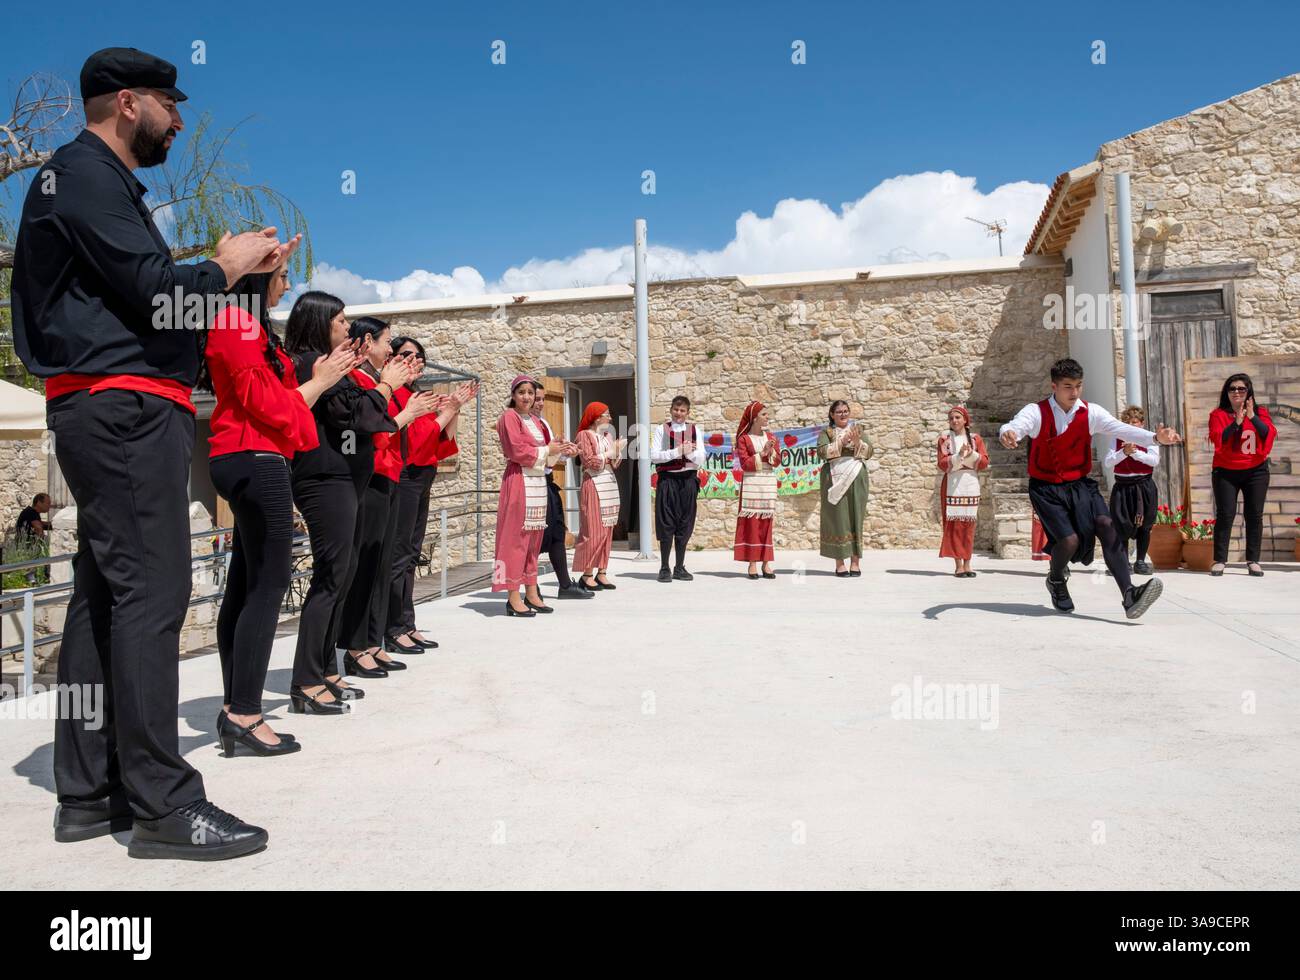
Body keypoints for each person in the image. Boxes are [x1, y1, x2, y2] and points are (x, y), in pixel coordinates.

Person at [11, 46, 299, 859]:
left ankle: (89, 791)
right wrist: (220, 264)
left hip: (112, 406)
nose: (180, 121)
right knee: (155, 595)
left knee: (105, 601)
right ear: (129, 102)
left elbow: (152, 309)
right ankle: (163, 806)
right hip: (123, 411)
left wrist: (237, 281)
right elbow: (157, 293)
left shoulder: (89, 182)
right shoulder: (84, 174)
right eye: (173, 106)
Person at [202, 264, 358, 755]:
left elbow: (277, 402)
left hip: (258, 455)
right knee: (268, 586)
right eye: (281, 274)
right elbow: (264, 402)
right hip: (253, 455)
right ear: (256, 278)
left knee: (248, 585)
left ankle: (237, 706)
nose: (287, 285)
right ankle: (245, 713)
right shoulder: (234, 321)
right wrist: (320, 381)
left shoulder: (252, 327)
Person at [999, 358, 1182, 619]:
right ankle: (1056, 580)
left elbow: (1121, 429)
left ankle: (1130, 595)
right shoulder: (1037, 412)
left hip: (1080, 484)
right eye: (1067, 386)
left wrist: (1155, 438)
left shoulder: (1091, 412)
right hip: (1046, 487)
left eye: (1078, 386)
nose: (1074, 393)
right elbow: (1018, 425)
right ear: (1054, 386)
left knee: (1107, 526)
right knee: (1069, 540)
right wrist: (1009, 433)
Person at [284, 292, 395, 712]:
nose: (349, 328)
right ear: (320, 321)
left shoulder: (334, 365)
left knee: (342, 574)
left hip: (343, 478)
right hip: (323, 477)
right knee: (331, 575)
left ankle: (325, 668)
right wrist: (387, 386)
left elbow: (363, 412)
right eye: (342, 321)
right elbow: (358, 417)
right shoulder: (314, 363)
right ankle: (306, 680)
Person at [338, 317, 436, 674]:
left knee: (379, 565)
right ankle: (357, 645)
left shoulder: (380, 383)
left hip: (390, 472)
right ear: (368, 343)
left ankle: (371, 640)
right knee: (366, 565)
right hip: (372, 472)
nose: (392, 352)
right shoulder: (363, 381)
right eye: (389, 345)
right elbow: (373, 427)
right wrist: (405, 407)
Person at [386, 337, 476, 652]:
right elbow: (418, 436)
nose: (414, 360)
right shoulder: (393, 394)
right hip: (405, 476)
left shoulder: (415, 395)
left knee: (411, 554)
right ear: (391, 358)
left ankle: (405, 623)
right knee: (400, 555)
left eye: (418, 355)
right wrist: (445, 409)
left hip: (423, 475)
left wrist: (455, 409)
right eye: (405, 354)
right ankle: (394, 627)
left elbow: (442, 439)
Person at [494, 376, 575, 616]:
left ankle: (531, 592)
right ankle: (512, 595)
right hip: (520, 481)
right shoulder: (510, 417)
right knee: (516, 539)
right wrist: (548, 450)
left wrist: (562, 452)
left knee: (534, 541)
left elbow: (547, 457)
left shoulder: (537, 422)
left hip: (538, 483)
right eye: (522, 392)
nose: (527, 397)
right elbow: (517, 451)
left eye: (530, 392)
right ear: (513, 395)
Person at [1208, 373, 1276, 577]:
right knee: (1225, 514)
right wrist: (1236, 422)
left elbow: (1268, 433)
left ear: (1249, 392)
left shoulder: (1260, 412)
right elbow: (1219, 439)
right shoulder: (1218, 414)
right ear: (1226, 393)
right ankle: (1220, 560)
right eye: (1232, 389)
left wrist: (1251, 416)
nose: (1236, 392)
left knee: (1254, 514)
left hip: (1255, 470)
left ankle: (1253, 560)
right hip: (1226, 471)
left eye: (1241, 389)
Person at [529, 379, 590, 599]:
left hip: (547, 484)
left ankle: (565, 585)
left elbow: (552, 455)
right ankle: (531, 587)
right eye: (537, 399)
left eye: (543, 399)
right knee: (533, 539)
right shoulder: (522, 423)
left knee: (557, 533)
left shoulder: (543, 423)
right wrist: (553, 451)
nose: (540, 403)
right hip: (531, 485)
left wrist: (567, 451)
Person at [651, 395, 706, 583]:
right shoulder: (661, 430)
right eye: (676, 409)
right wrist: (677, 452)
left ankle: (679, 567)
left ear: (688, 412)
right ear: (671, 409)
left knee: (685, 523)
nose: (678, 413)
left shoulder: (694, 430)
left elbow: (701, 458)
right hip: (668, 481)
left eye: (682, 410)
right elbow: (655, 456)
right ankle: (664, 567)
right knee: (666, 522)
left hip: (688, 480)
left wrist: (689, 452)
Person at [818, 400, 875, 576]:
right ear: (832, 415)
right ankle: (840, 562)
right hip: (834, 478)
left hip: (856, 476)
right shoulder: (827, 432)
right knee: (838, 518)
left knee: (855, 516)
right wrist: (841, 442)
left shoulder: (858, 430)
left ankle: (855, 562)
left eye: (845, 411)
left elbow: (870, 451)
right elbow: (821, 452)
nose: (843, 414)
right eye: (839, 412)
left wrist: (858, 442)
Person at [573, 402, 625, 591]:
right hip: (594, 485)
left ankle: (602, 572)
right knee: (593, 530)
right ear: (596, 417)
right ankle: (586, 574)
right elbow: (590, 461)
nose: (610, 418)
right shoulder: (584, 435)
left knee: (607, 529)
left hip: (609, 484)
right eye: (606, 414)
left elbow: (614, 464)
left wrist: (618, 451)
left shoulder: (607, 436)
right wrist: (610, 453)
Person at [1103, 405, 1160, 576]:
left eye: (1134, 423)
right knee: (1121, 524)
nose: (1131, 426)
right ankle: (1122, 562)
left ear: (1141, 424)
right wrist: (1123, 452)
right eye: (1127, 423)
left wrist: (1134, 454)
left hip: (1144, 485)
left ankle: (1140, 561)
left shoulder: (1150, 438)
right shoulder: (1117, 438)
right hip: (1123, 486)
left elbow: (1153, 460)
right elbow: (1108, 461)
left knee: (1145, 525)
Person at [935, 405, 988, 578]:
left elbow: (984, 462)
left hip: (970, 483)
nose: (954, 421)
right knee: (954, 525)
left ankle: (968, 563)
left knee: (968, 525)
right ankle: (958, 565)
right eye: (951, 418)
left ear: (965, 420)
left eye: (957, 417)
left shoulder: (975, 439)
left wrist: (971, 454)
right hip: (952, 484)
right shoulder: (944, 440)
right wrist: (959, 458)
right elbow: (942, 463)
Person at [733, 401, 781, 579]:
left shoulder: (771, 437)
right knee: (752, 524)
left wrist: (771, 452)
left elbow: (777, 461)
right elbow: (745, 463)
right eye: (764, 414)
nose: (767, 417)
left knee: (766, 524)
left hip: (767, 483)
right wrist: (762, 454)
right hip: (752, 484)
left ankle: (766, 563)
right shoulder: (743, 439)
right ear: (754, 418)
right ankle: (752, 563)